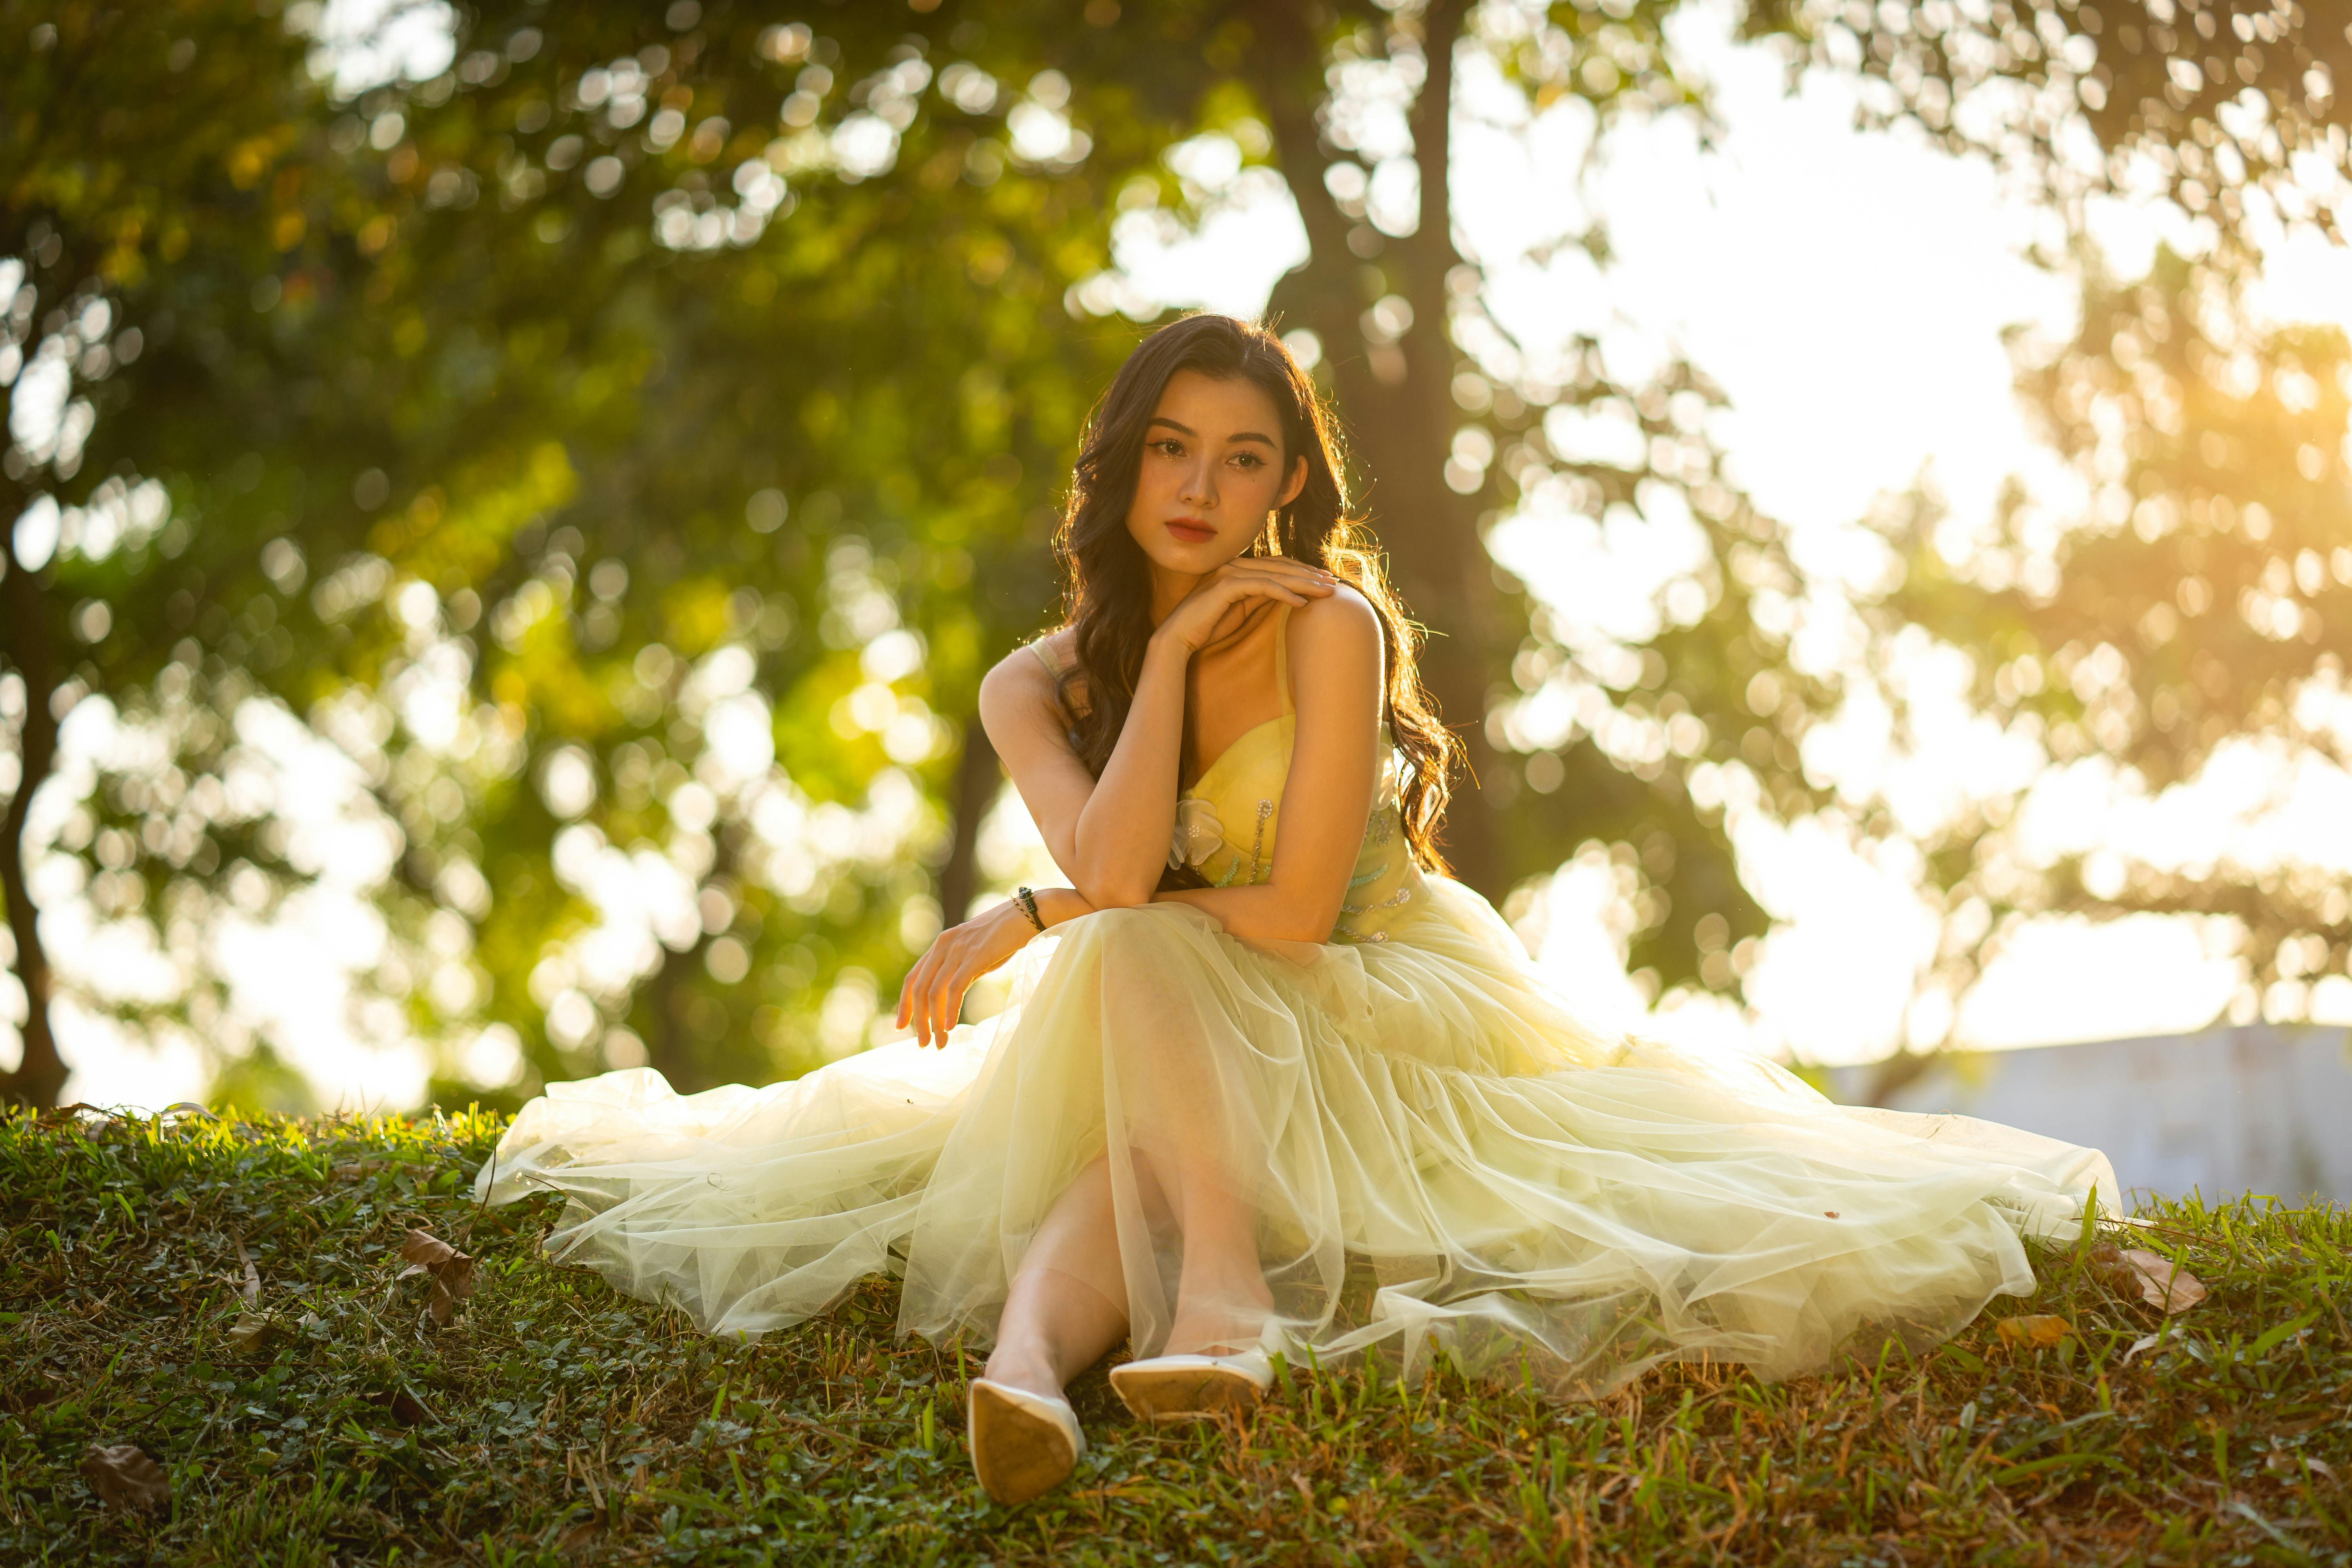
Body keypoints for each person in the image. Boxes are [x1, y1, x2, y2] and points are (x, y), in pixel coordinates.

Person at [478, 314, 2116, 1508]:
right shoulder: (1029, 685)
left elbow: (1289, 916)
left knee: (1125, 967)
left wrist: (1038, 910)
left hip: (1375, 980)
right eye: (1172, 448)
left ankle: (1222, 1308)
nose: (1202, 485)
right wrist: (1173, 660)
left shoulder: (1336, 625)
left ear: (1286, 482)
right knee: (1121, 1021)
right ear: (1120, 462)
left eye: (1245, 457)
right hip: (1174, 979)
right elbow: (1123, 878)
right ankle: (1026, 1381)